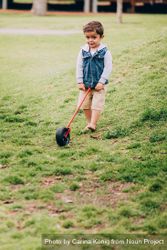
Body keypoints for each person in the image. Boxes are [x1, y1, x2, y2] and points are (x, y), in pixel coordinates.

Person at [76, 21, 112, 132]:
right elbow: (79, 66)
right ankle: (89, 122)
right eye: (87, 37)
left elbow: (108, 67)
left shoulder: (105, 52)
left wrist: (101, 82)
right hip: (86, 84)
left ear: (101, 37)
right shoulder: (83, 51)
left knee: (96, 105)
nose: (90, 40)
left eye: (94, 37)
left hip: (98, 86)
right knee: (85, 105)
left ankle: (93, 123)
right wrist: (80, 81)